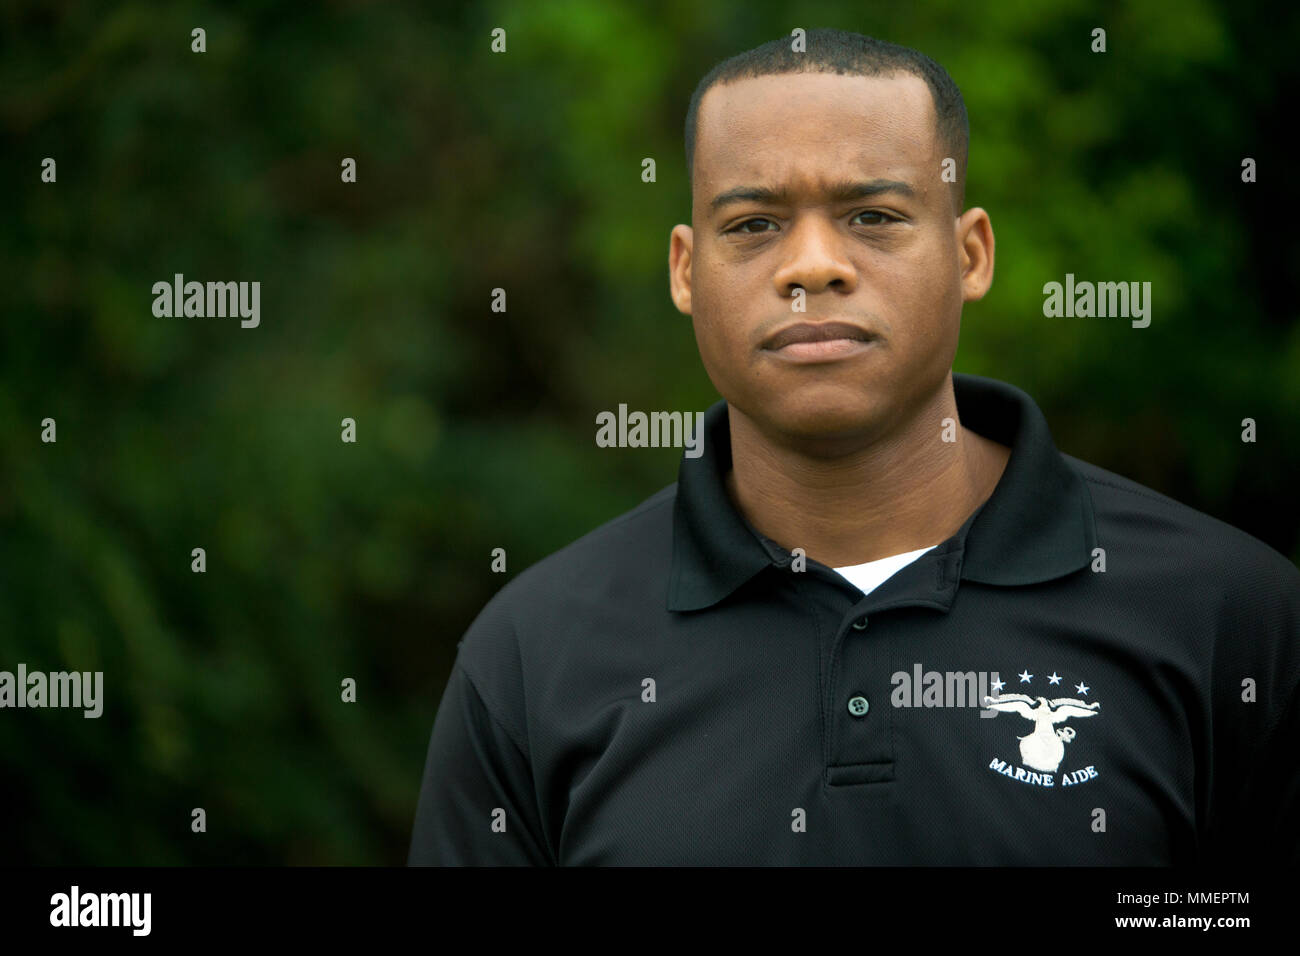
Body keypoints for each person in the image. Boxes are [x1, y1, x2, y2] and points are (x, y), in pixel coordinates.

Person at [408, 28, 1299, 865]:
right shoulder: (533, 657)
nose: (812, 266)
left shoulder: (1234, 618)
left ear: (971, 254)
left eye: (873, 215)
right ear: (686, 270)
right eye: (753, 224)